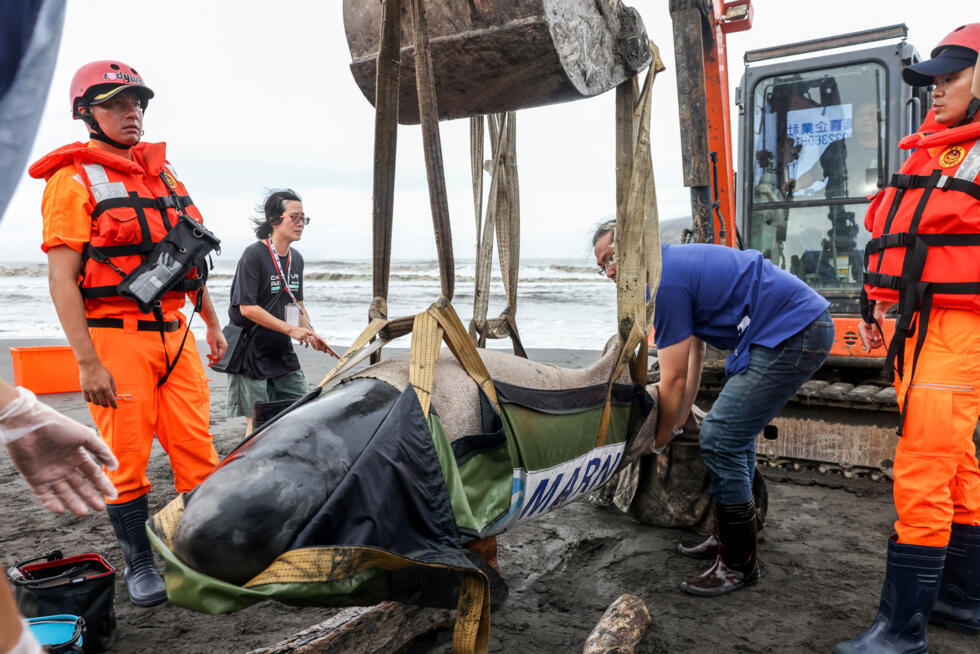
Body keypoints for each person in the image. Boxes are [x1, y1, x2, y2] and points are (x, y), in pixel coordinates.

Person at [27, 60, 228, 609]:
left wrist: (210, 321)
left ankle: (199, 547)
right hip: (115, 339)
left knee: (197, 450)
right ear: (84, 113)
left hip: (176, 334)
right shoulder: (71, 180)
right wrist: (87, 362)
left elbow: (188, 257)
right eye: (115, 103)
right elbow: (62, 279)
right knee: (126, 453)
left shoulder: (164, 176)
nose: (131, 112)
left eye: (136, 102)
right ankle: (139, 559)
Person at [836, 24, 980, 653]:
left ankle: (902, 631)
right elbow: (902, 236)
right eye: (933, 79)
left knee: (923, 468)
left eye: (951, 76)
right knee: (958, 468)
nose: (937, 89)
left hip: (957, 331)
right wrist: (874, 300)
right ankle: (962, 598)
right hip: (920, 327)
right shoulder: (933, 151)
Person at [593, 221, 834, 596]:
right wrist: (679, 418)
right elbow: (696, 354)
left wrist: (658, 438)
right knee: (734, 436)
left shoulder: (665, 280)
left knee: (720, 437)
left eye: (612, 258)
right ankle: (728, 536)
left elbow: (670, 379)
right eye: (602, 265)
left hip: (792, 331)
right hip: (784, 329)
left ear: (636, 246)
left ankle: (739, 564)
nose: (608, 271)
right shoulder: (672, 269)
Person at [225, 190, 337, 435]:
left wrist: (310, 333)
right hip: (251, 352)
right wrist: (291, 329)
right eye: (294, 217)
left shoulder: (296, 258)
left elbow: (294, 304)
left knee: (301, 410)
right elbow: (247, 308)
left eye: (303, 219)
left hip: (281, 351)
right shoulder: (254, 254)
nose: (300, 224)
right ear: (274, 219)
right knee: (258, 424)